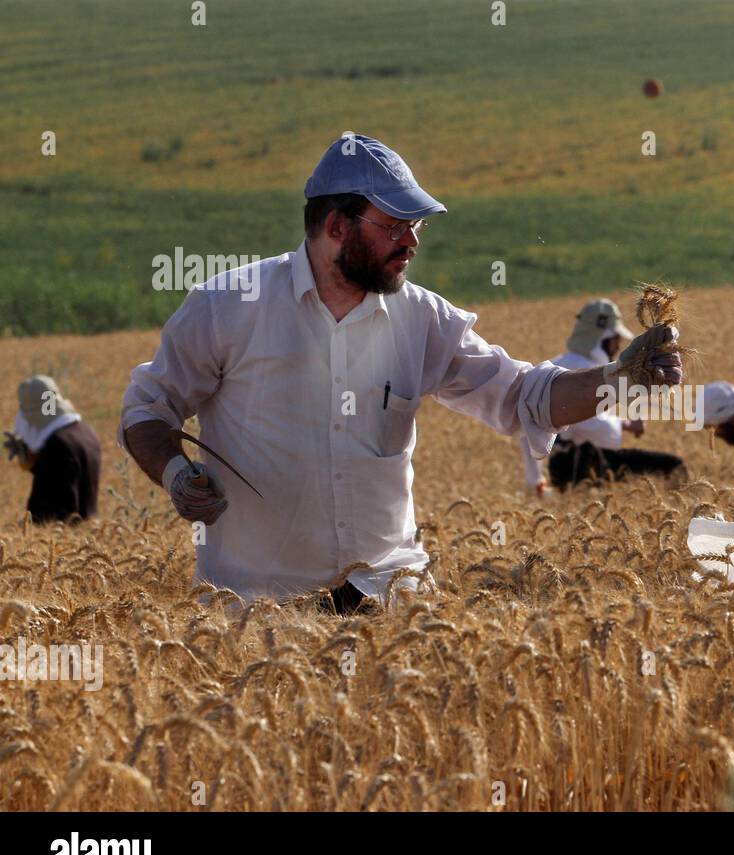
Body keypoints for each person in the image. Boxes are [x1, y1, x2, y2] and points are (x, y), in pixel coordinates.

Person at [119, 134, 681, 613]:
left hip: (391, 606)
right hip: (257, 616)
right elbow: (149, 408)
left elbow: (523, 397)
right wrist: (175, 475)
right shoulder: (229, 306)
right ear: (337, 225)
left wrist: (622, 378)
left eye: (416, 227)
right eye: (395, 226)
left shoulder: (423, 318)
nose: (412, 242)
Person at [521, 298, 685, 494]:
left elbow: (526, 425)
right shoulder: (587, 370)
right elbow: (596, 429)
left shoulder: (552, 366)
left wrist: (535, 479)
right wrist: (627, 424)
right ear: (604, 338)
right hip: (581, 465)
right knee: (673, 467)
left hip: (560, 466)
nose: (618, 347)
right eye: (616, 339)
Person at [5, 375, 101, 524]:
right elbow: (62, 475)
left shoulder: (57, 444)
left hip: (64, 533)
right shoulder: (86, 431)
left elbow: (51, 507)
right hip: (86, 529)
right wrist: (35, 464)